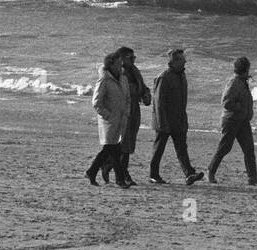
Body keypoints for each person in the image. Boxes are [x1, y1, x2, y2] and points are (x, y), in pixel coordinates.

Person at [149, 48, 204, 186]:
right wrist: (162, 124)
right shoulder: (164, 77)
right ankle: (153, 174)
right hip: (164, 121)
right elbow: (158, 103)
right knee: (159, 148)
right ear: (173, 61)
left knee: (181, 148)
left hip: (178, 120)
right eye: (181, 59)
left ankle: (189, 173)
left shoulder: (181, 76)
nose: (185, 61)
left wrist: (184, 120)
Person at [207, 56, 257, 185]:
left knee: (249, 149)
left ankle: (252, 177)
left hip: (242, 120)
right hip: (231, 120)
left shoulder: (243, 81)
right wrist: (241, 108)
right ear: (245, 69)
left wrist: (247, 111)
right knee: (224, 148)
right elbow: (226, 102)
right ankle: (211, 171)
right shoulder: (234, 82)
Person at [87, 50, 131, 188]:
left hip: (121, 118)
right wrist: (108, 115)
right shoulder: (104, 80)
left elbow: (127, 98)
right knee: (114, 150)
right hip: (109, 121)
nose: (121, 66)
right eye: (118, 63)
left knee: (109, 149)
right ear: (111, 65)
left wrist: (127, 112)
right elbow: (96, 102)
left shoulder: (123, 78)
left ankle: (92, 171)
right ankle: (120, 179)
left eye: (121, 63)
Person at [107, 46, 150, 186]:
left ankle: (107, 166)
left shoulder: (135, 71)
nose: (133, 60)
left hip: (134, 109)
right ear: (122, 58)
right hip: (123, 111)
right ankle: (124, 174)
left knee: (129, 143)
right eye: (130, 58)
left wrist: (146, 94)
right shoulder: (119, 74)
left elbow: (143, 86)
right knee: (122, 144)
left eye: (134, 58)